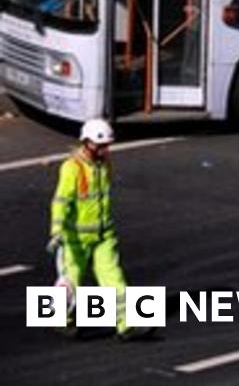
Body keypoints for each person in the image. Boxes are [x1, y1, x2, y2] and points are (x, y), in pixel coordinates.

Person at [48, 119, 149, 340]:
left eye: (106, 145)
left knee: (114, 278)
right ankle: (61, 319)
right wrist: (57, 230)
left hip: (103, 236)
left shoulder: (104, 164)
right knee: (70, 282)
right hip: (75, 239)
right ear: (86, 143)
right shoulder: (71, 168)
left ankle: (126, 325)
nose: (105, 149)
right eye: (100, 145)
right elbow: (61, 201)